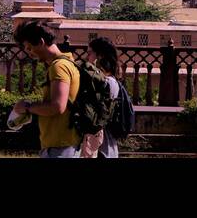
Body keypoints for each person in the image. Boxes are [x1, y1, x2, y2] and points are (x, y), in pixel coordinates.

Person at [10, 21, 79, 158]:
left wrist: (28, 107)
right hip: (61, 144)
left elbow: (57, 106)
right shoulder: (68, 63)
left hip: (60, 145)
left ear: (41, 42)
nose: (30, 53)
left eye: (29, 48)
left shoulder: (58, 67)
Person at [80, 37, 120, 159]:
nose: (87, 58)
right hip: (105, 146)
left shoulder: (106, 83)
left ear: (100, 56)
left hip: (100, 146)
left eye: (89, 53)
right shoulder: (111, 81)